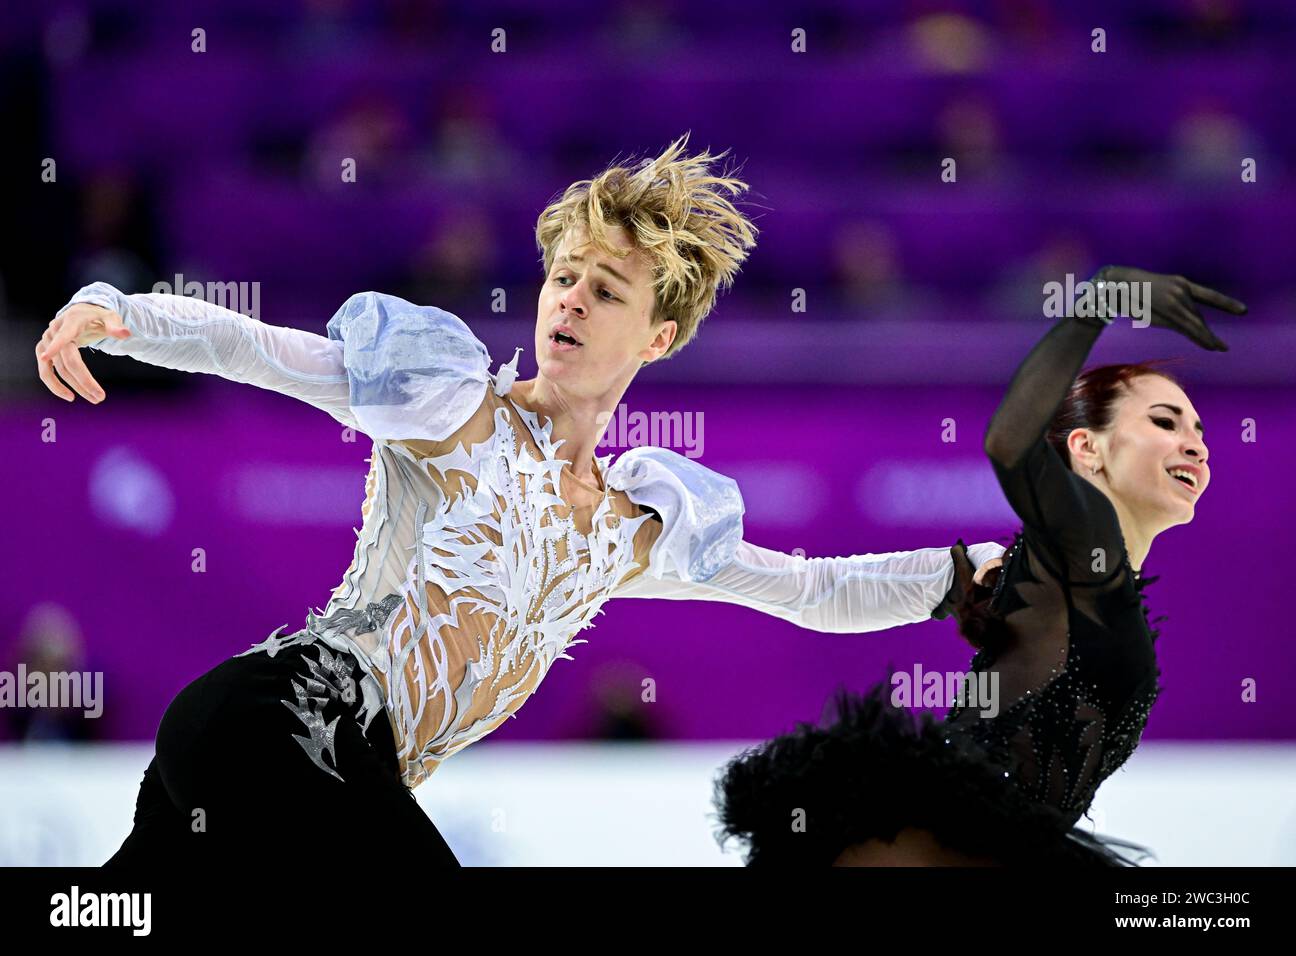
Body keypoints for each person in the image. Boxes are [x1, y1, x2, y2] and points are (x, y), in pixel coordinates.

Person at [35, 134, 1004, 867]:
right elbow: (262, 349)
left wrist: (962, 574)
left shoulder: (629, 526)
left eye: (606, 289)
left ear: (658, 335)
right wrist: (120, 314)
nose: (569, 300)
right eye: (563, 276)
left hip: (305, 773)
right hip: (280, 716)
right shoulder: (450, 401)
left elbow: (811, 591)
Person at [713, 266, 1247, 866]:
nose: (1195, 443)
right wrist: (1099, 302)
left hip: (995, 844)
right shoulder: (1078, 545)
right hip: (948, 840)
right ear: (1087, 449)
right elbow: (1010, 443)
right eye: (1165, 422)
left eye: (1199, 429)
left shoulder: (1093, 576)